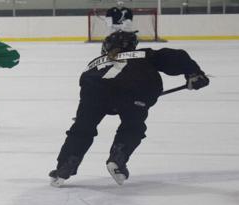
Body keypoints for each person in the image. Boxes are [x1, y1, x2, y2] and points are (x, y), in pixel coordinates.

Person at [49, 30, 209, 187]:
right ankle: (118, 156)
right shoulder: (142, 55)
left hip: (95, 92)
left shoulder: (93, 64)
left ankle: (66, 164)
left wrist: (84, 115)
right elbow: (177, 56)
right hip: (135, 91)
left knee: (82, 129)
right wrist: (194, 74)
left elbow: (86, 85)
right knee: (133, 126)